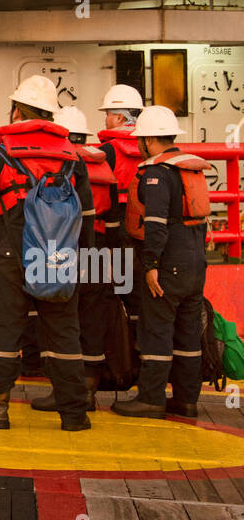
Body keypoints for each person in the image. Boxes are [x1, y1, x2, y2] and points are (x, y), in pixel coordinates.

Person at [0, 75, 95, 432]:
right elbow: (87, 216)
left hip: (13, 250)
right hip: (57, 254)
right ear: (51, 114)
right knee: (65, 333)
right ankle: (74, 414)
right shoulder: (71, 155)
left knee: (7, 330)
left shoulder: (1, 153)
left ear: (17, 109)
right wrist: (81, 257)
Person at [112, 106, 209, 419]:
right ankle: (186, 399)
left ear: (149, 139)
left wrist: (151, 264)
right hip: (196, 263)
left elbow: (155, 223)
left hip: (169, 262)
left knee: (157, 330)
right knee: (188, 335)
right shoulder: (189, 169)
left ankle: (151, 398)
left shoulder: (156, 173)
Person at [31, 104, 117, 413]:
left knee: (60, 322)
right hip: (101, 247)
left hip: (65, 248)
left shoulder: (61, 163)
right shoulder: (103, 163)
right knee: (94, 319)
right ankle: (89, 390)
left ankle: (63, 391)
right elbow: (115, 213)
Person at [97, 84, 145, 333]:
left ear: (119, 117)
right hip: (149, 234)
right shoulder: (151, 147)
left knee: (114, 293)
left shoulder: (106, 152)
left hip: (117, 235)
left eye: (107, 113)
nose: (105, 119)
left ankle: (118, 359)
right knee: (142, 297)